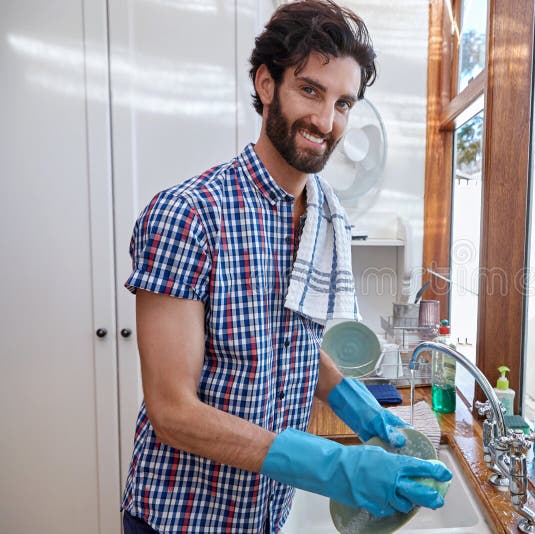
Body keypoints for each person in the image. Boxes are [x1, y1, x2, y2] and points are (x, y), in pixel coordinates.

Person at [119, 1, 451, 532]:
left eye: (344, 103)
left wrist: (361, 408)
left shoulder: (325, 215)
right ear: (267, 84)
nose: (326, 121)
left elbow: (288, 347)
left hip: (266, 515)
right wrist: (334, 464)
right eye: (311, 91)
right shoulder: (186, 215)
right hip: (180, 517)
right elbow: (172, 412)